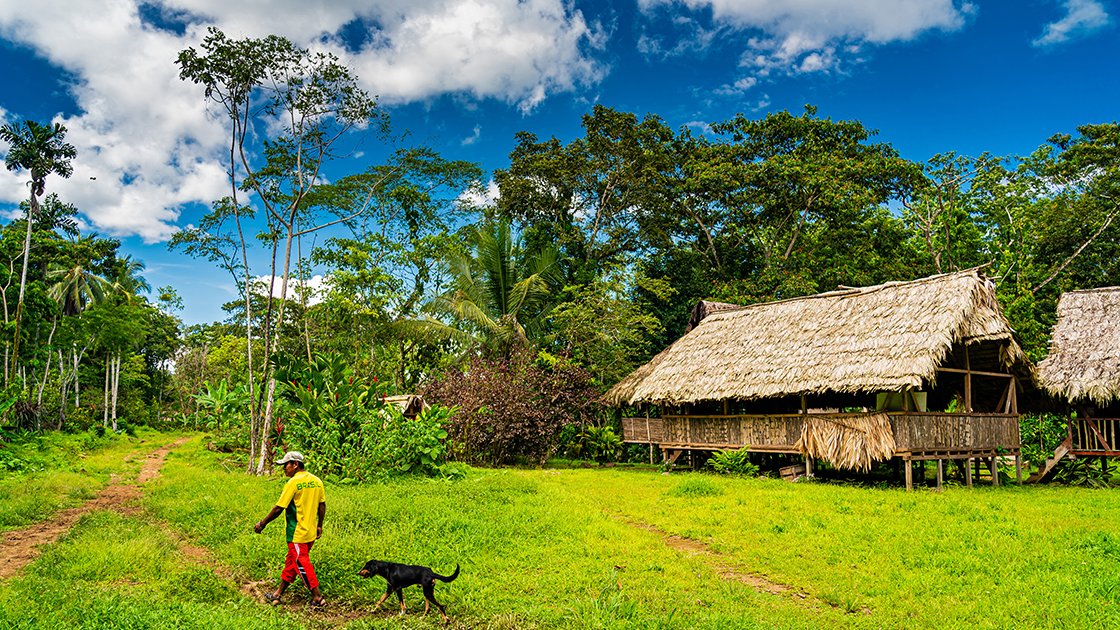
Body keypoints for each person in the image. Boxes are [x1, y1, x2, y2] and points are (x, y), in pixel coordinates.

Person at [254, 451, 327, 607]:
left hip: (297, 534)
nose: (284, 469)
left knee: (302, 564)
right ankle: (277, 594)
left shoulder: (293, 483)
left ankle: (317, 597)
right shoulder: (316, 481)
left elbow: (278, 508)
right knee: (292, 563)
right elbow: (322, 505)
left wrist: (262, 523)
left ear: (295, 464)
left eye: (286, 465)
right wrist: (319, 525)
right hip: (311, 532)